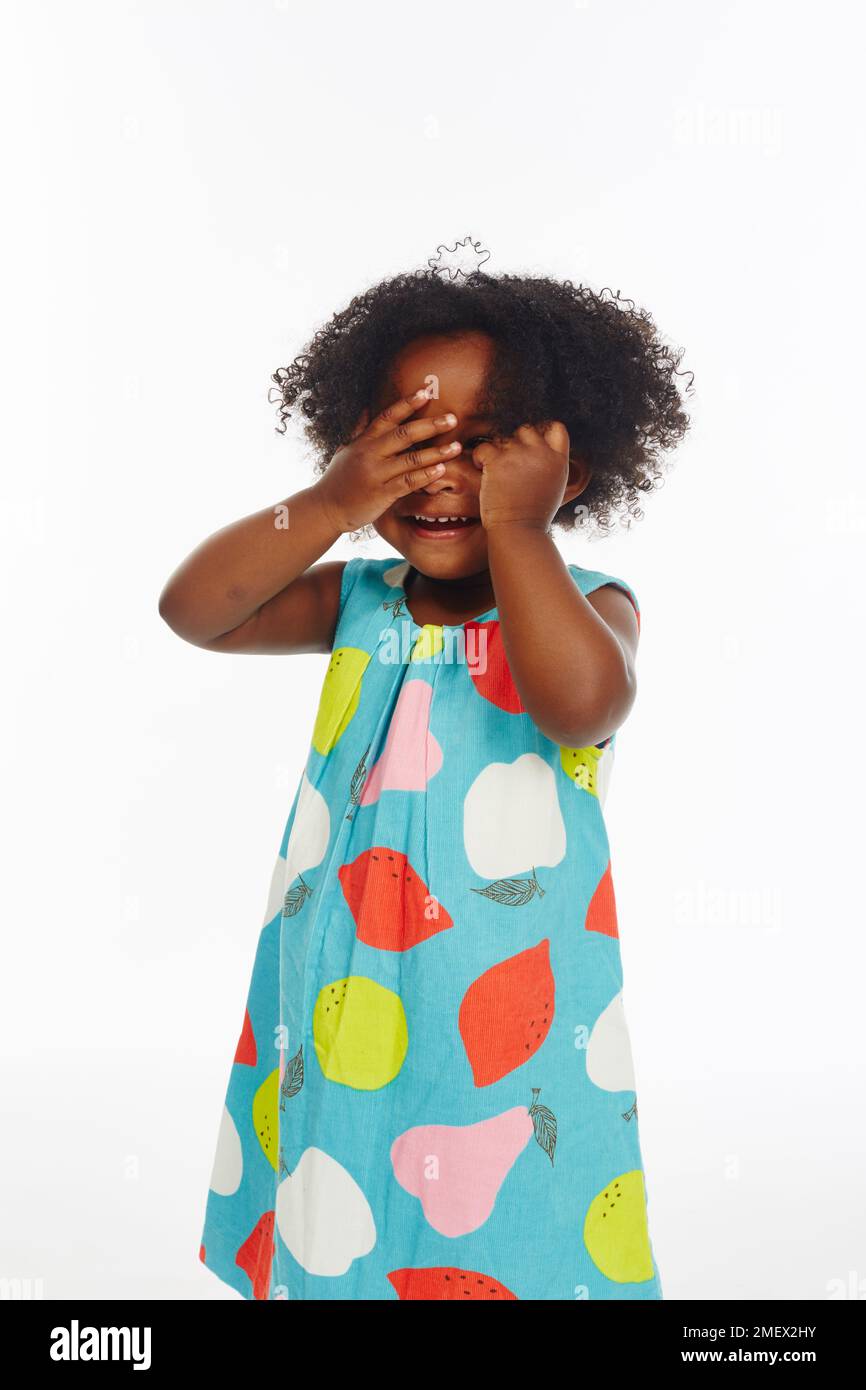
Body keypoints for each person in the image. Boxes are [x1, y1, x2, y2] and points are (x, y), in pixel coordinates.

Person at [158, 251, 692, 1300]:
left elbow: (580, 702)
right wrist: (325, 502)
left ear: (567, 468)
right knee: (341, 1169)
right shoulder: (359, 600)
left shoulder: (588, 604)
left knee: (516, 1212)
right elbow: (195, 610)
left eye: (487, 447)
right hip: (339, 977)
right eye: (413, 442)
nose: (446, 474)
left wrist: (519, 530)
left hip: (503, 1011)